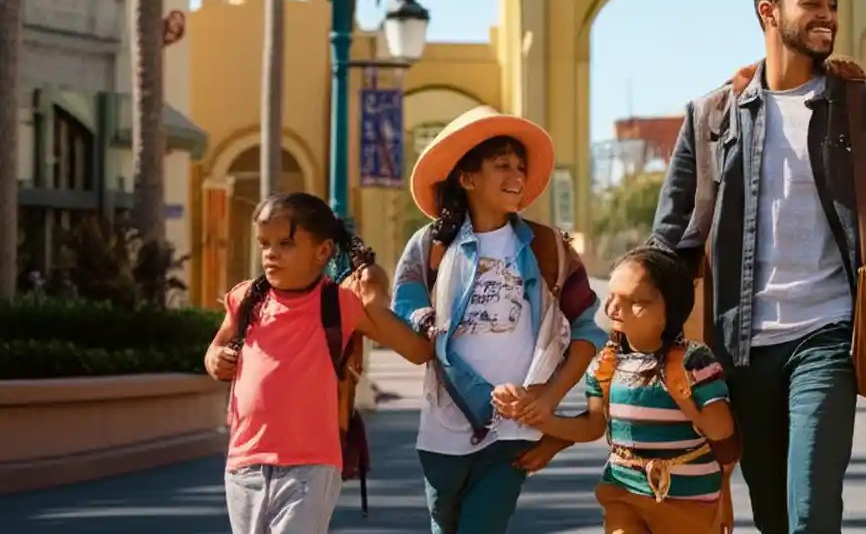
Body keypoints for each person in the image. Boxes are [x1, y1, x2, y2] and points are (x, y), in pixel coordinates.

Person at [647, 0, 866, 533]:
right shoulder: (712, 116)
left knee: (811, 510)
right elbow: (670, 241)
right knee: (773, 516)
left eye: (833, 4)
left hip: (830, 334)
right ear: (769, 12)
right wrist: (630, 328)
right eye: (811, 3)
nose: (828, 16)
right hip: (739, 347)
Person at [390, 106, 609, 534]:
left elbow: (588, 327)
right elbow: (405, 303)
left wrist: (547, 401)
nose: (517, 176)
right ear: (468, 178)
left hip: (514, 430)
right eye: (502, 165)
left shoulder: (548, 248)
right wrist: (420, 319)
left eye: (520, 167)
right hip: (441, 430)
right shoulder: (432, 245)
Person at [203, 192, 432, 534]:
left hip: (310, 466)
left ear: (322, 251)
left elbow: (415, 351)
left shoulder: (339, 304)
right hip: (244, 464)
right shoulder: (246, 298)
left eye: (285, 243)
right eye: (263, 243)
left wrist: (374, 296)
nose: (270, 254)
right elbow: (214, 350)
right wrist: (216, 359)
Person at [504, 245, 739, 533]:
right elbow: (593, 425)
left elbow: (722, 434)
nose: (614, 307)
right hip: (623, 491)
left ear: (668, 312)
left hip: (690, 501)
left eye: (634, 301)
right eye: (613, 296)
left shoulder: (694, 361)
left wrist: (685, 397)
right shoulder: (607, 364)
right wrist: (541, 420)